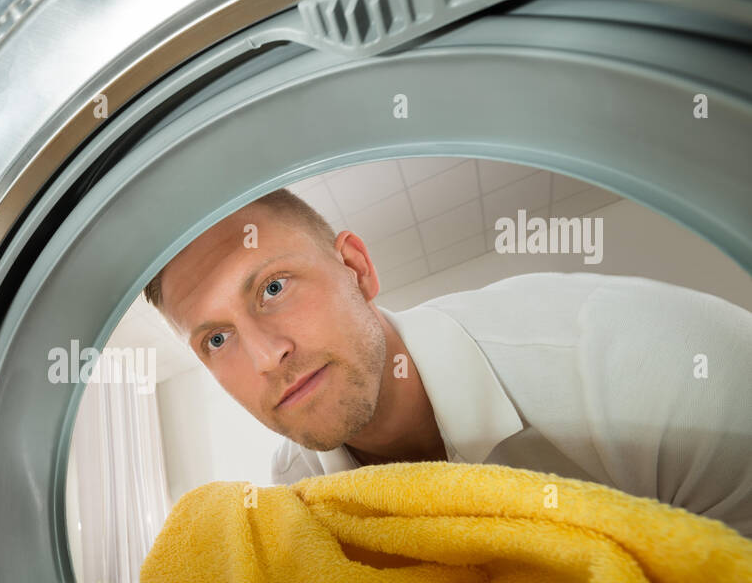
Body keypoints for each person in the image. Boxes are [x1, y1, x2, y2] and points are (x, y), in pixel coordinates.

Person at [143, 187, 752, 539]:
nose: (267, 356)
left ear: (356, 269)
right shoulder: (296, 498)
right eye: (216, 340)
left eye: (273, 288)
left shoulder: (648, 366)